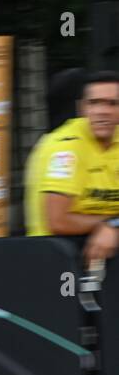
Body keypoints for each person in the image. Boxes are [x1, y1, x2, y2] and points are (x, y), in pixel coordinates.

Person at [26, 70, 119, 264]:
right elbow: (58, 221)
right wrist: (108, 223)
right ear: (82, 108)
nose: (103, 111)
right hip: (54, 260)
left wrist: (114, 225)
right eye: (95, 103)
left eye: (112, 103)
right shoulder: (65, 147)